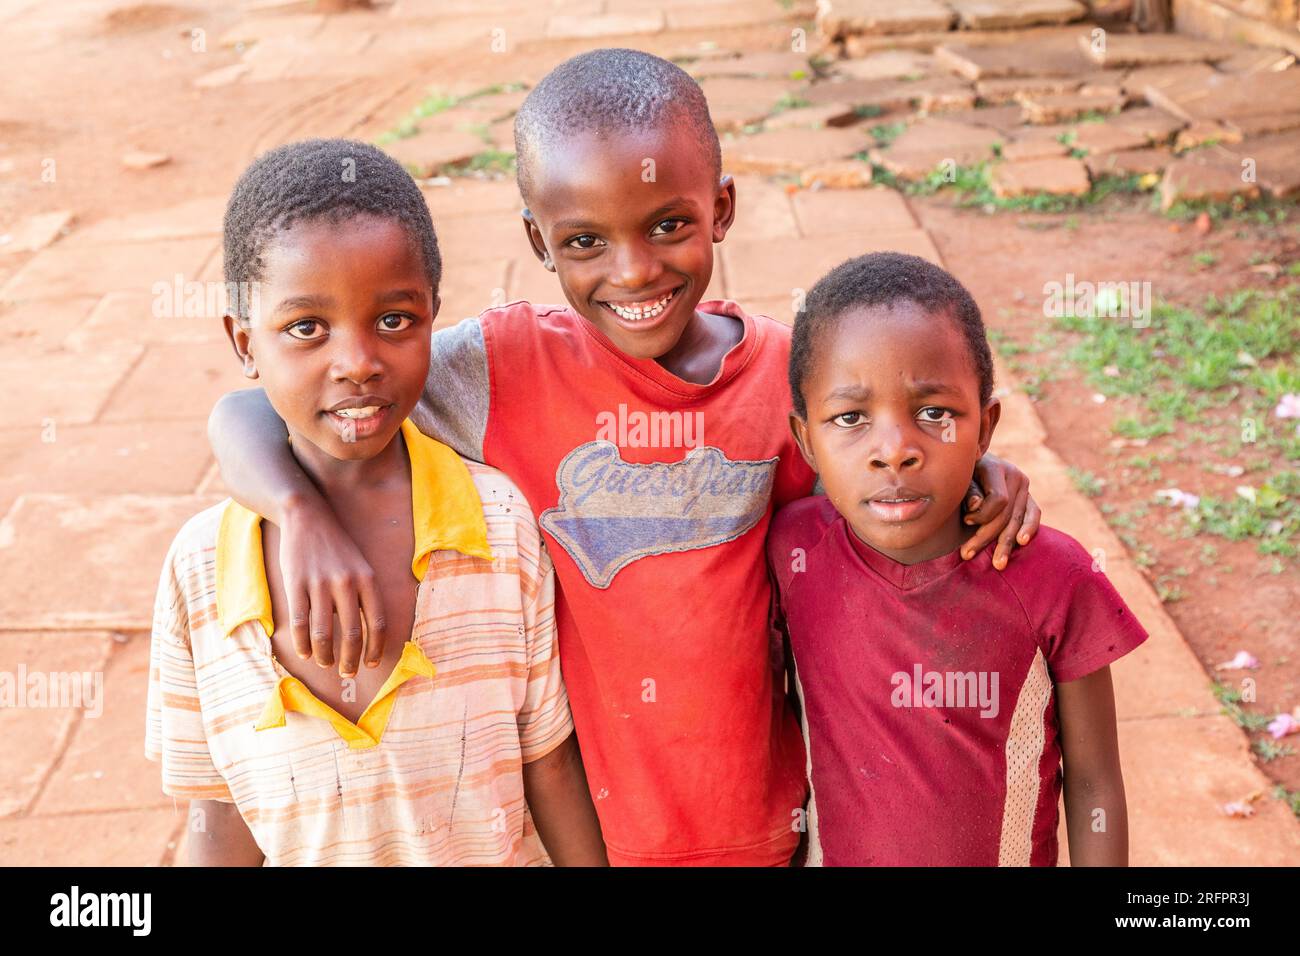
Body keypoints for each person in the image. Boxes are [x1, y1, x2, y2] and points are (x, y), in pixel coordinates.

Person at [206, 51, 1041, 866]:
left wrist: (974, 475)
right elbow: (254, 407)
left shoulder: (788, 380)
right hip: (587, 837)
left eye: (669, 225)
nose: (635, 269)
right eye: (585, 242)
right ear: (539, 241)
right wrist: (298, 510)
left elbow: (890, 463)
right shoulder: (505, 369)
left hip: (768, 824)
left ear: (722, 207)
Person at [146, 138, 606, 866]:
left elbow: (547, 760)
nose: (358, 361)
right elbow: (219, 805)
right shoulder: (200, 572)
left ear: (431, 316)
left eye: (394, 320)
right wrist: (298, 515)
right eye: (307, 328)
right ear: (244, 344)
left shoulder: (499, 525)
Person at [770, 252, 1146, 866]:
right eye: (850, 417)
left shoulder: (1051, 575)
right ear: (806, 437)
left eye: (934, 413)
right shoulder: (792, 552)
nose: (894, 451)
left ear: (985, 426)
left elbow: (1095, 780)